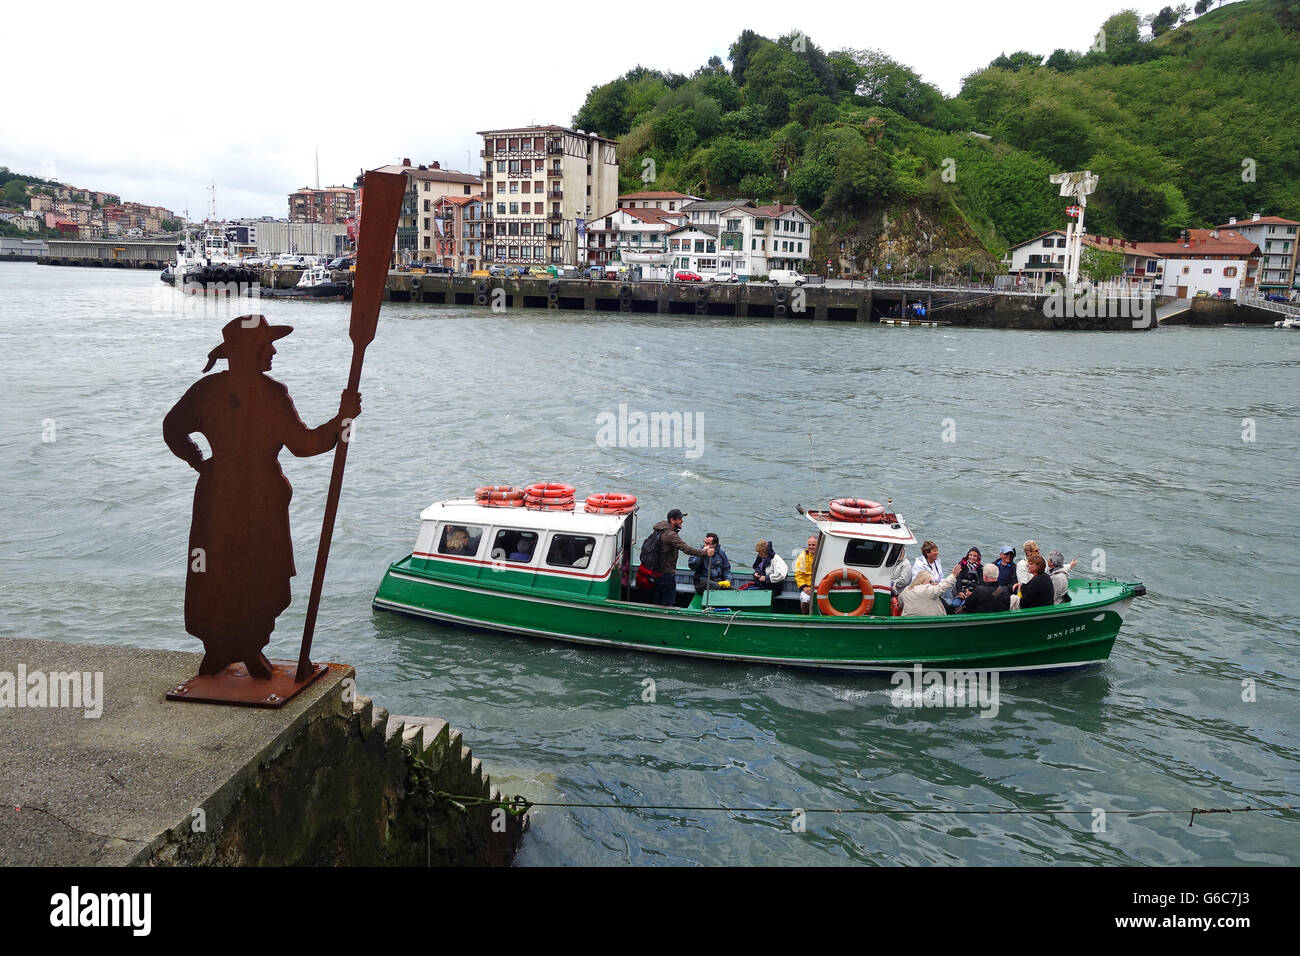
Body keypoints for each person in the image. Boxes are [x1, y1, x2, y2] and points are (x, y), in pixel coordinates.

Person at [164, 315, 359, 679]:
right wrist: (341, 419)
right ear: (249, 352)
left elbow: (172, 429)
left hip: (216, 493)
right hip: (258, 499)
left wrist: (200, 463)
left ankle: (222, 650)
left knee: (214, 569)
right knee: (257, 571)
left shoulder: (205, 390)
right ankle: (242, 649)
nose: (272, 351)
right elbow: (305, 445)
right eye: (265, 345)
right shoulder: (271, 394)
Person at [649, 509, 713, 607]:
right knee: (668, 602)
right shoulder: (670, 535)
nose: (682, 521)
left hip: (658, 571)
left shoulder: (661, 530)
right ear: (672, 520)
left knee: (659, 599)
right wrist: (704, 552)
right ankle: (664, 619)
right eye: (680, 519)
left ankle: (655, 618)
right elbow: (686, 549)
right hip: (665, 573)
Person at [794, 535, 818, 614]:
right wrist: (804, 588)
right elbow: (798, 574)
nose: (811, 547)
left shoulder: (822, 555)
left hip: (820, 586)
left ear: (817, 545)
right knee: (805, 600)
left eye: (813, 545)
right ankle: (805, 617)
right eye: (809, 545)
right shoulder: (802, 556)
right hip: (807, 587)